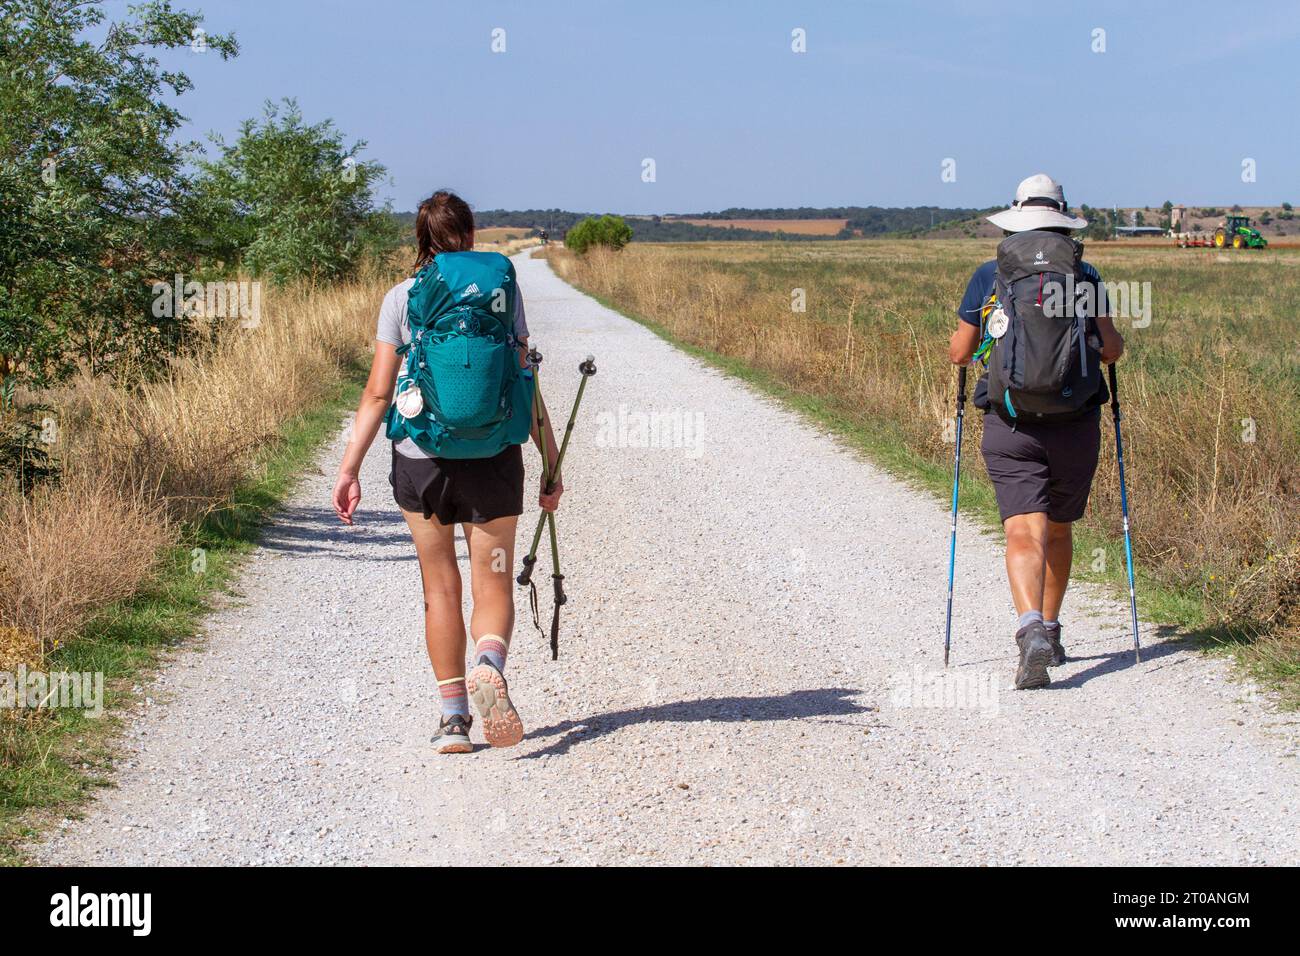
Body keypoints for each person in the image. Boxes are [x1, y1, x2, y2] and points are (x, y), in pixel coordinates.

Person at [331, 190, 562, 751]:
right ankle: (489, 662)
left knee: (440, 587)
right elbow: (523, 380)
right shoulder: (502, 293)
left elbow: (378, 393)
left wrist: (349, 468)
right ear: (471, 234)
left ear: (422, 239)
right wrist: (550, 461)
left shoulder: (402, 297)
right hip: (494, 457)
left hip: (421, 461)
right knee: (494, 579)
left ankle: (454, 719)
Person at [948, 174, 1124, 690]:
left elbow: (960, 353)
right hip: (1075, 424)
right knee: (1060, 528)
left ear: (1016, 220)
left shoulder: (990, 275)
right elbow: (1111, 349)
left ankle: (1030, 630)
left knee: (1024, 530)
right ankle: (1051, 626)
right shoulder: (1086, 275)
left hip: (1010, 424)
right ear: (1063, 222)